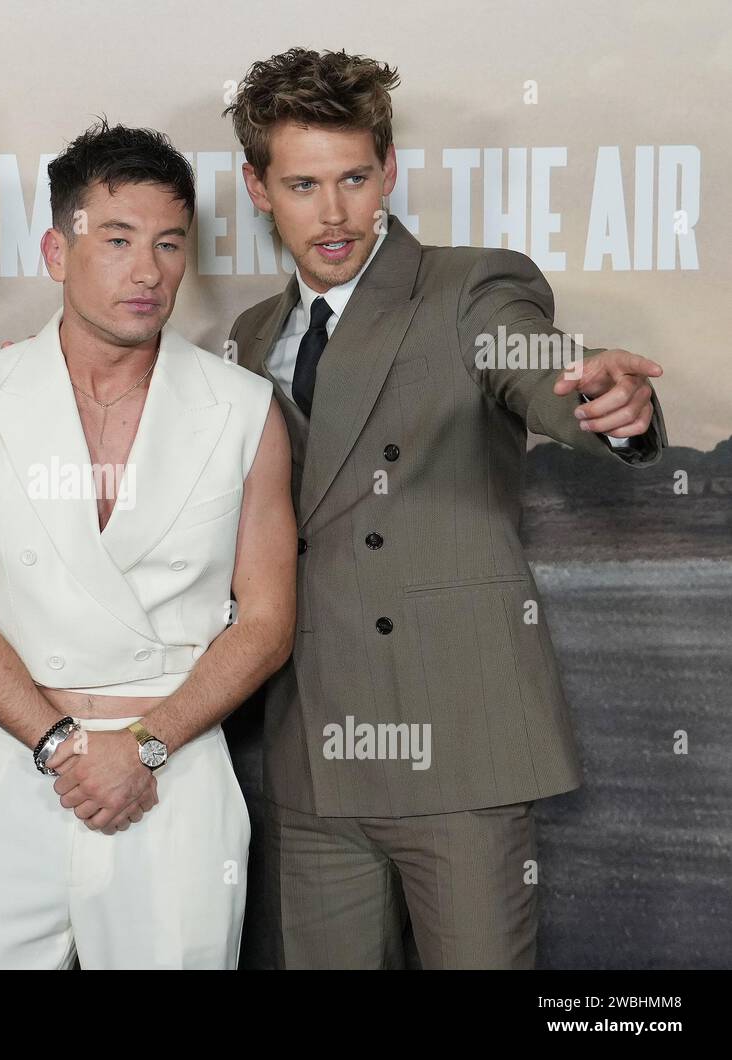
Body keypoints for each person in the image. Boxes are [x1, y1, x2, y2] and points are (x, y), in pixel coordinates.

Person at [223, 47, 668, 969]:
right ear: (259, 189)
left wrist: (605, 408)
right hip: (315, 757)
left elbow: (539, 368)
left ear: (389, 169)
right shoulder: (251, 336)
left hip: (458, 747)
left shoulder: (468, 290)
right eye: (304, 185)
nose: (335, 212)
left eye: (355, 178)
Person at [0, 120, 296, 969]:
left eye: (169, 244)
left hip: (177, 775)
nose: (148, 270)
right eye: (117, 239)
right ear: (58, 252)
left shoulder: (241, 409)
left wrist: (147, 747)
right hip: (23, 767)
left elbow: (266, 623)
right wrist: (61, 749)